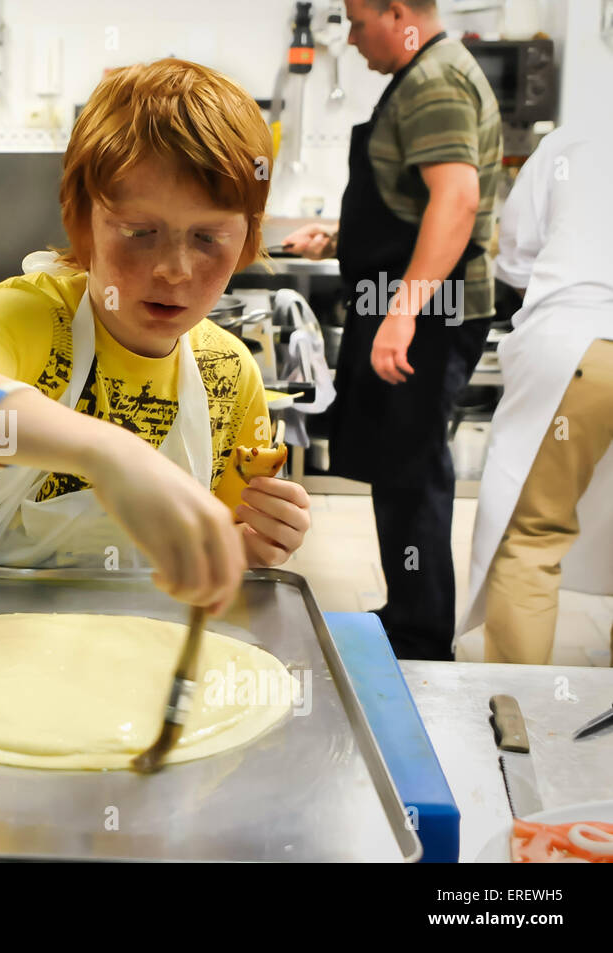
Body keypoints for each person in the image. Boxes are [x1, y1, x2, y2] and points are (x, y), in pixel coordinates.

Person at [0, 58, 311, 615]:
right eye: (139, 232)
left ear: (249, 239)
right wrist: (111, 455)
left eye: (209, 237)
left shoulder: (228, 373)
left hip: (130, 661)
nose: (175, 269)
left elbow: (213, 550)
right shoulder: (36, 318)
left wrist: (258, 543)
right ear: (82, 223)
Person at [282, 0, 502, 659]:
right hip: (414, 303)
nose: (350, 40)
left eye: (356, 22)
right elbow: (411, 205)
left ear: (399, 12)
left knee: (412, 468)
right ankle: (407, 614)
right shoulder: (425, 77)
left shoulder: (434, 81)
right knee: (398, 466)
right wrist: (339, 238)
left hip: (428, 311)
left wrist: (403, 311)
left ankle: (421, 636)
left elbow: (456, 199)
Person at [459, 124, 613, 664]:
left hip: (581, 347)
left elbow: (514, 257)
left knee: (532, 536)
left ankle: (521, 710)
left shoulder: (572, 142)